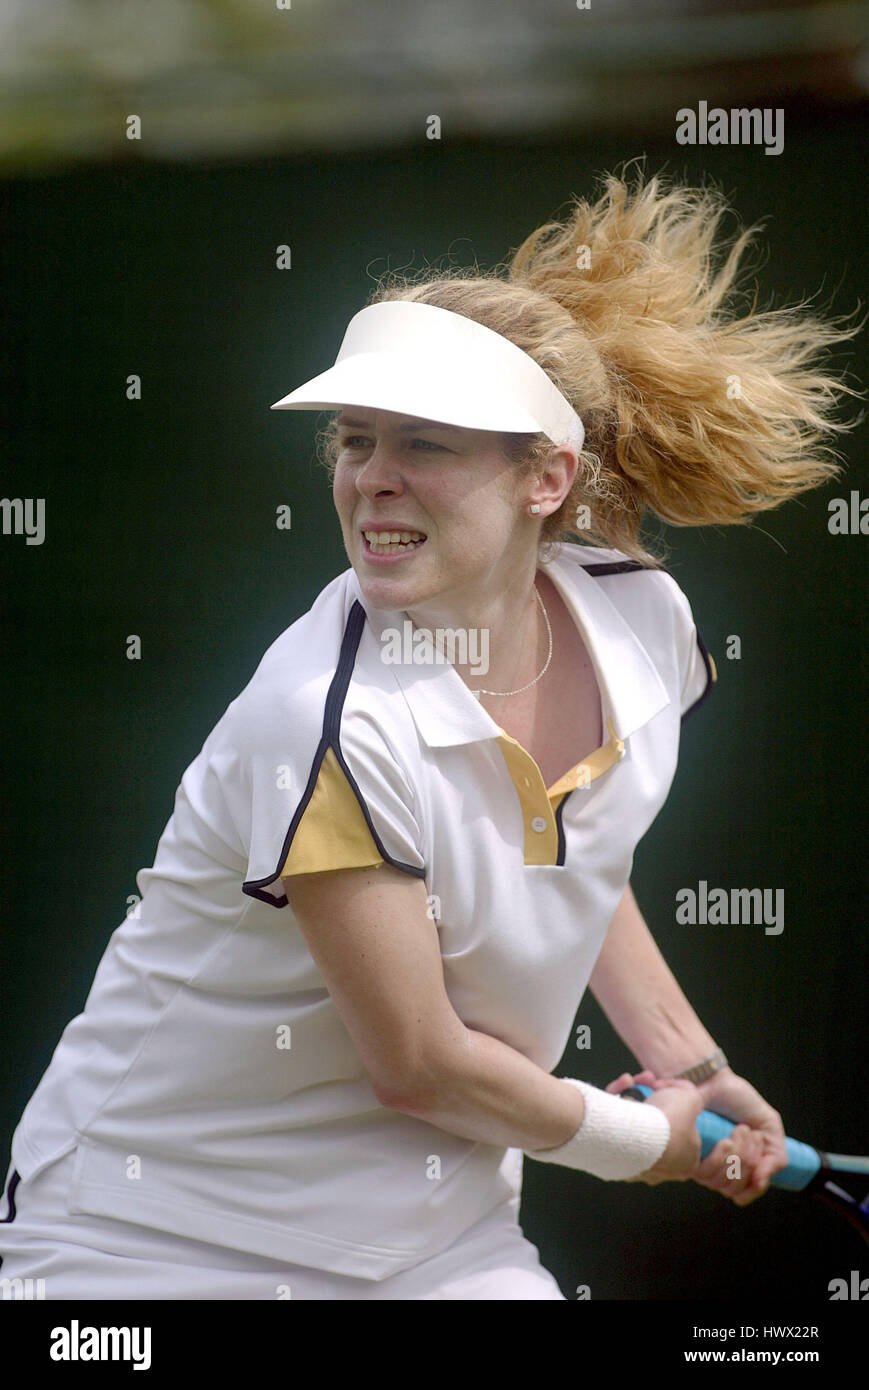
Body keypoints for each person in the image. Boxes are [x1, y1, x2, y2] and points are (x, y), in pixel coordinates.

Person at [0, 169, 858, 1301]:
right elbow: (419, 1063)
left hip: (440, 1247)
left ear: (546, 478)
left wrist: (688, 1062)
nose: (372, 479)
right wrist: (646, 1140)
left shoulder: (643, 627)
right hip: (144, 1243)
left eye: (428, 444)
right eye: (355, 440)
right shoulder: (329, 724)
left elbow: (565, 855)